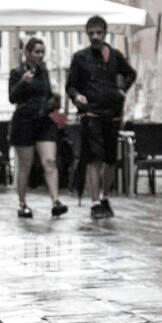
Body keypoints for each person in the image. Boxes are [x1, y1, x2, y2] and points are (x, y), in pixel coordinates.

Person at [66, 15, 136, 219]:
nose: (95, 36)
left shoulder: (115, 56)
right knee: (95, 157)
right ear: (87, 35)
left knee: (111, 159)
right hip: (92, 113)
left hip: (113, 114)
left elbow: (130, 73)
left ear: (105, 33)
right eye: (91, 33)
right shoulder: (81, 58)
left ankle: (105, 196)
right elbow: (70, 85)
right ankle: (95, 201)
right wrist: (77, 96)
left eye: (98, 33)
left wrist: (122, 90)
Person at [8, 37, 67, 218]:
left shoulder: (44, 73)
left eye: (42, 52)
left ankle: (56, 200)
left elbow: (47, 93)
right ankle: (22, 203)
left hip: (44, 120)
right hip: (24, 121)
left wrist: (53, 100)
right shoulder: (17, 72)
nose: (40, 56)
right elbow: (12, 97)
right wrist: (22, 83)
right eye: (37, 52)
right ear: (27, 53)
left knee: (49, 160)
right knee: (25, 164)